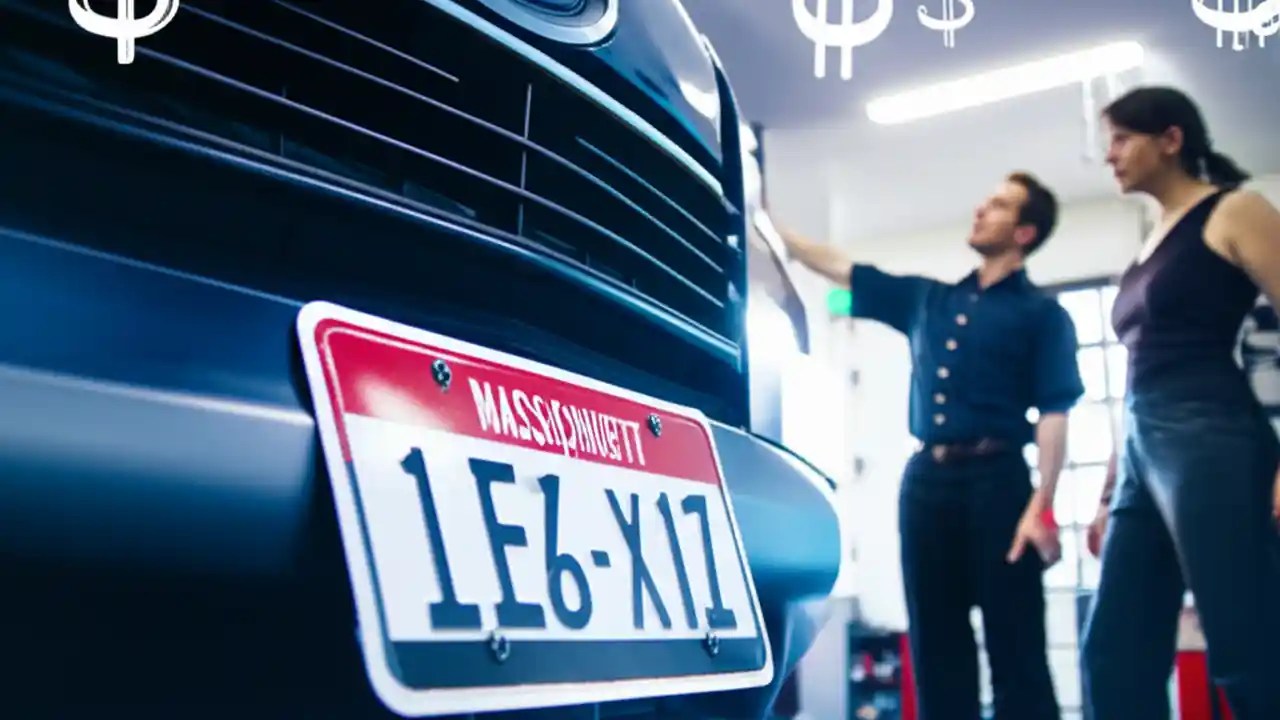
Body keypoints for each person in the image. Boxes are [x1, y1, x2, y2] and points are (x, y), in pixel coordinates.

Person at [769, 172, 1084, 720]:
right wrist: (770, 226)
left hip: (1001, 483)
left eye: (1000, 205)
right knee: (936, 644)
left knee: (1017, 646)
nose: (981, 208)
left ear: (1025, 232)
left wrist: (1043, 505)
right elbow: (843, 268)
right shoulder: (927, 299)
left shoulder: (1042, 314)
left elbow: (1055, 411)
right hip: (927, 484)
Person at [1078, 85, 1280, 719]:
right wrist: (1112, 488)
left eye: (1121, 139)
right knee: (1113, 655)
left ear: (1171, 139)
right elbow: (1136, 373)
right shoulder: (1147, 245)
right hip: (1144, 451)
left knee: (1246, 646)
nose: (1108, 155)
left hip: (1211, 438)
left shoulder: (1235, 211)